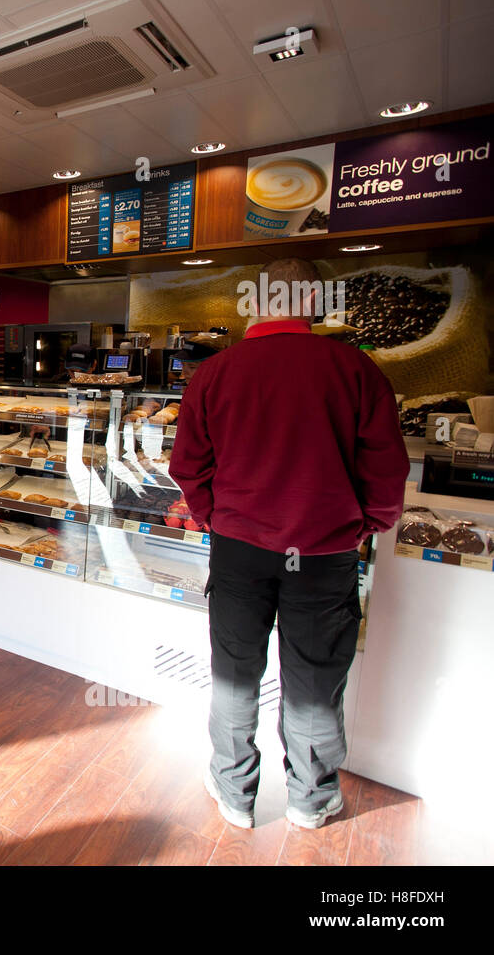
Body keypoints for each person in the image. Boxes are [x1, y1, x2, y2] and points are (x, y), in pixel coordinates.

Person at [169, 257, 408, 830]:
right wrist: (366, 525)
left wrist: (211, 515)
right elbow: (386, 472)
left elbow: (187, 466)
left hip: (239, 550)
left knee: (233, 670)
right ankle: (312, 799)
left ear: (255, 303)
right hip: (324, 554)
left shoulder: (216, 372)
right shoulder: (356, 369)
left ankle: (235, 794)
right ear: (314, 301)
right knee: (314, 680)